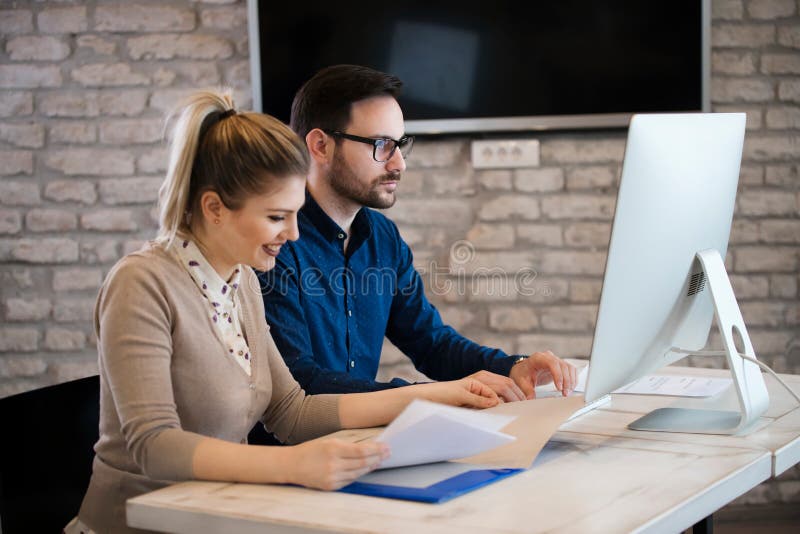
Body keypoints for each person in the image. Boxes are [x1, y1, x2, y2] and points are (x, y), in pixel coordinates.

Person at [70, 89, 500, 534]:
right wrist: (294, 464)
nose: (293, 234)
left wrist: (432, 396)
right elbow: (153, 445)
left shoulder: (241, 283)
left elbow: (291, 410)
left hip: (219, 516)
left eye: (295, 215)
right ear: (214, 207)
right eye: (277, 218)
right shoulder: (141, 283)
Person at [260, 65, 578, 405]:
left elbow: (431, 343)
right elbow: (300, 383)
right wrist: (430, 395)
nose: (399, 163)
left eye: (400, 144)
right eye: (381, 145)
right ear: (321, 146)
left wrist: (513, 366)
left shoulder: (383, 237)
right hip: (292, 453)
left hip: (363, 441)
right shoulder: (275, 241)